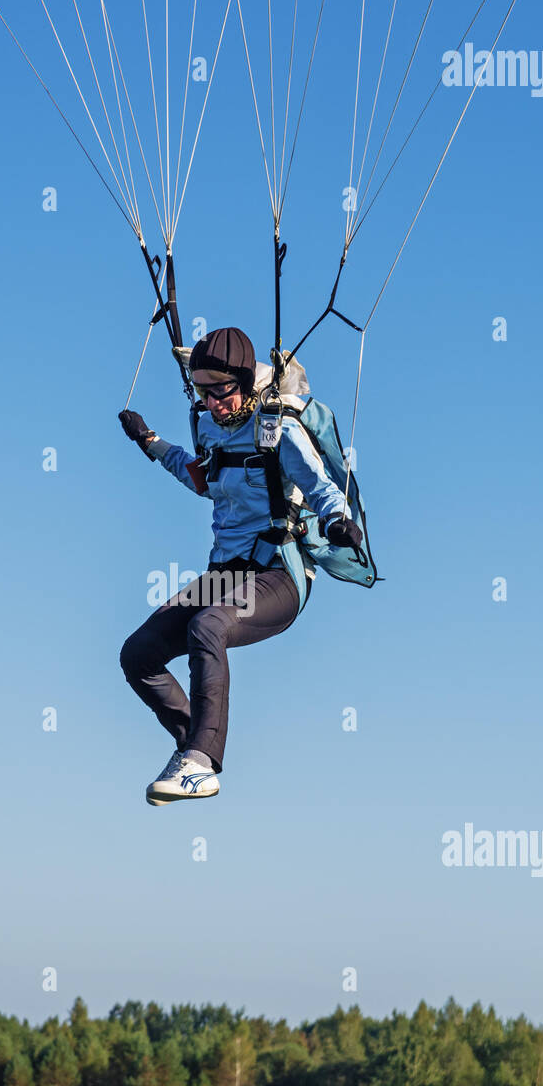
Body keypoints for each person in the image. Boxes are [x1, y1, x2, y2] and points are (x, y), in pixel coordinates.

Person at [118, 326, 362, 806]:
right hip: (225, 574)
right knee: (137, 653)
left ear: (246, 382)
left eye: (222, 392)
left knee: (208, 626)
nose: (213, 403)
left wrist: (337, 522)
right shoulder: (208, 424)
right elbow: (203, 479)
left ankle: (202, 763)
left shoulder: (280, 431)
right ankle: (192, 743)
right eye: (204, 393)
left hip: (278, 575)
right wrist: (150, 441)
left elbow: (324, 489)